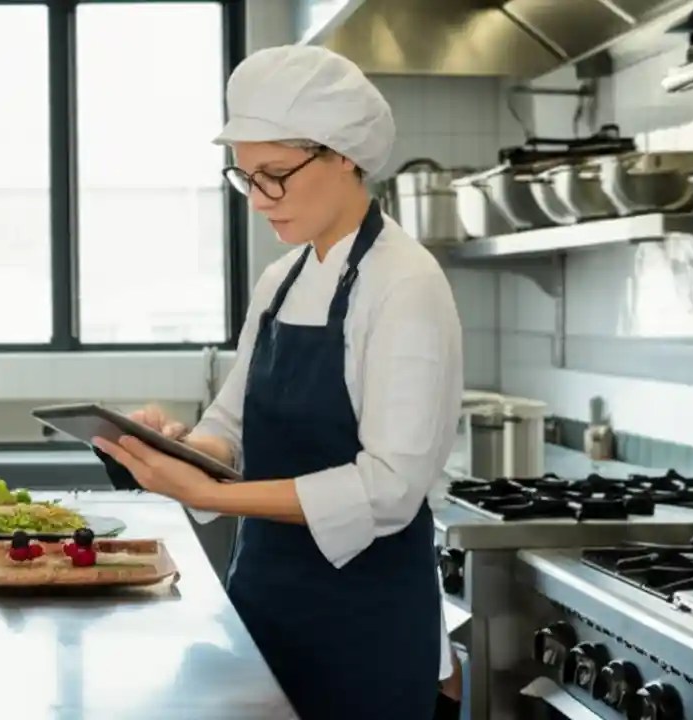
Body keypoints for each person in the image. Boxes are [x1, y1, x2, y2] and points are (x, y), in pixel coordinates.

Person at [93, 44, 464, 720]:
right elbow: (230, 428)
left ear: (342, 153)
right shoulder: (279, 281)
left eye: (276, 175)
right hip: (264, 613)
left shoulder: (407, 285)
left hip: (365, 634)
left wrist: (210, 495)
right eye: (245, 179)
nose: (259, 201)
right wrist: (170, 449)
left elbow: (388, 488)